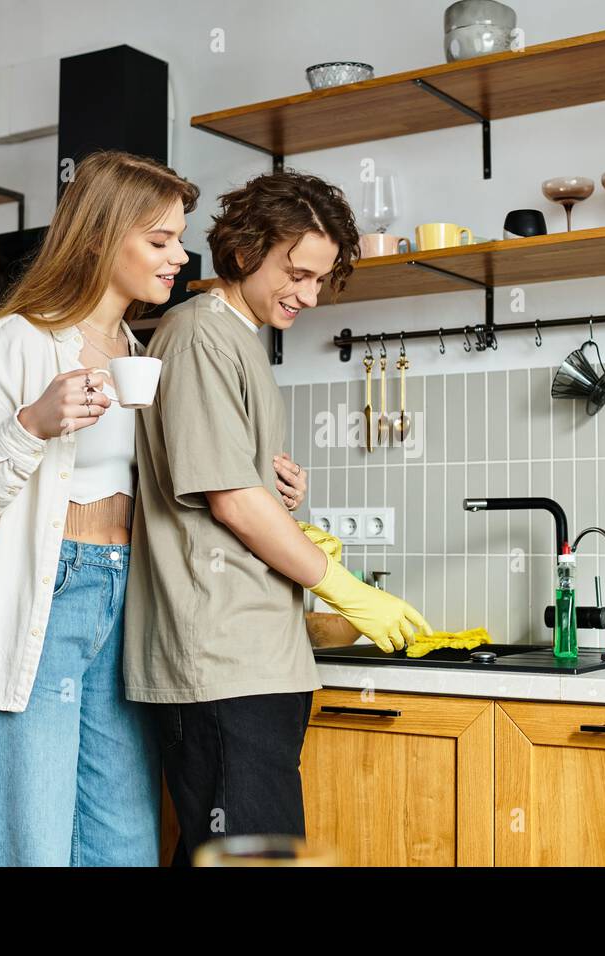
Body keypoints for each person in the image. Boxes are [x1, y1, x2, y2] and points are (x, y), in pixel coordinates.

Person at [0, 150, 304, 866]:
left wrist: (269, 484)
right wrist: (32, 423)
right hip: (47, 604)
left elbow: (181, 488)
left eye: (180, 238)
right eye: (160, 240)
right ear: (102, 237)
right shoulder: (14, 338)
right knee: (29, 845)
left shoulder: (145, 350)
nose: (180, 255)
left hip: (130, 602)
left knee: (122, 846)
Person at [124, 169, 432, 865]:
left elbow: (230, 484)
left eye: (321, 280)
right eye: (296, 273)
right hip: (220, 654)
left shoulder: (240, 338)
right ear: (244, 250)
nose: (308, 295)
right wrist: (345, 588)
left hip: (256, 655)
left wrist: (276, 498)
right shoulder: (199, 333)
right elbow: (231, 501)